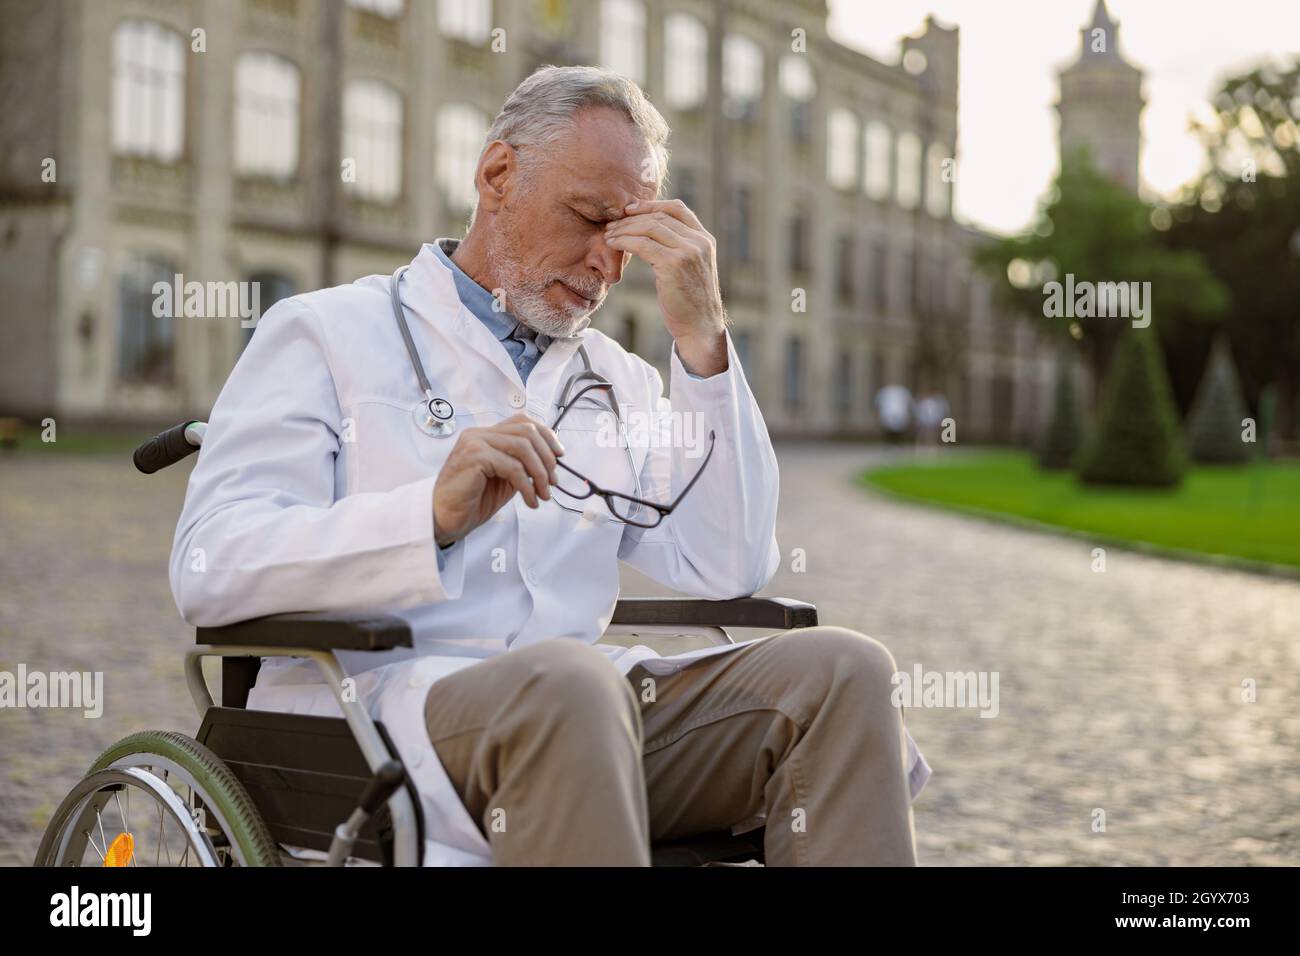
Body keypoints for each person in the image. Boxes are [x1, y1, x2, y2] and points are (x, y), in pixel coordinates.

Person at [170, 65, 929, 866]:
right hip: (378, 720)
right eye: (591, 216)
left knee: (844, 674)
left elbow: (728, 560)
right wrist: (426, 516)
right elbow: (210, 563)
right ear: (498, 175)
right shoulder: (324, 333)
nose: (608, 262)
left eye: (628, 235)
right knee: (570, 685)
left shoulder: (620, 380)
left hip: (594, 716)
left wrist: (703, 346)